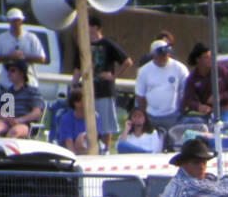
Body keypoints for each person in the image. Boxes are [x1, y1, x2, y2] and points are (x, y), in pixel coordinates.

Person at [72, 14, 131, 151]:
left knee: (106, 124)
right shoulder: (82, 45)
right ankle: (89, 149)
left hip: (104, 89)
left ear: (95, 27)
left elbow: (127, 61)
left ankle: (106, 150)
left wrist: (114, 76)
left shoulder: (107, 44)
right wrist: (74, 82)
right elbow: (77, 68)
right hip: (86, 90)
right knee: (87, 122)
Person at [134, 39, 189, 131]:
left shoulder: (180, 68)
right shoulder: (144, 71)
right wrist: (145, 114)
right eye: (162, 54)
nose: (165, 56)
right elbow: (140, 95)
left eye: (167, 53)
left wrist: (182, 110)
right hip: (151, 116)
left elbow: (187, 91)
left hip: (173, 115)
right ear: (153, 55)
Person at [181, 43, 228, 124]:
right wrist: (199, 107)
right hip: (207, 114)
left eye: (211, 56)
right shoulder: (192, 78)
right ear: (198, 59)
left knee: (222, 131)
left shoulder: (222, 71)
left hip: (225, 112)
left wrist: (220, 97)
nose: (210, 59)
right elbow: (188, 99)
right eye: (206, 57)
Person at [0, 8, 47, 91]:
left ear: (21, 21)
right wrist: (9, 57)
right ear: (8, 21)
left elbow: (41, 58)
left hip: (29, 84)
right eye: (13, 20)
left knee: (27, 104)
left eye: (17, 20)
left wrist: (22, 56)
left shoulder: (31, 38)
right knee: (8, 104)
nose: (15, 23)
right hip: (7, 85)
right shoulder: (2, 38)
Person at [0, 61, 43, 139]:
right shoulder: (6, 92)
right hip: (6, 122)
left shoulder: (32, 92)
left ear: (22, 73)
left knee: (15, 131)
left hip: (25, 125)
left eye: (13, 70)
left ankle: (7, 151)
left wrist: (20, 120)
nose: (9, 73)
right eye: (8, 71)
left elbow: (37, 112)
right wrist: (5, 118)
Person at [56, 88, 100, 154]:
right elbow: (69, 146)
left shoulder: (94, 117)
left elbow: (96, 137)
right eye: (85, 100)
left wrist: (83, 135)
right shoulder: (66, 119)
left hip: (90, 151)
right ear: (76, 103)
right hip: (71, 153)